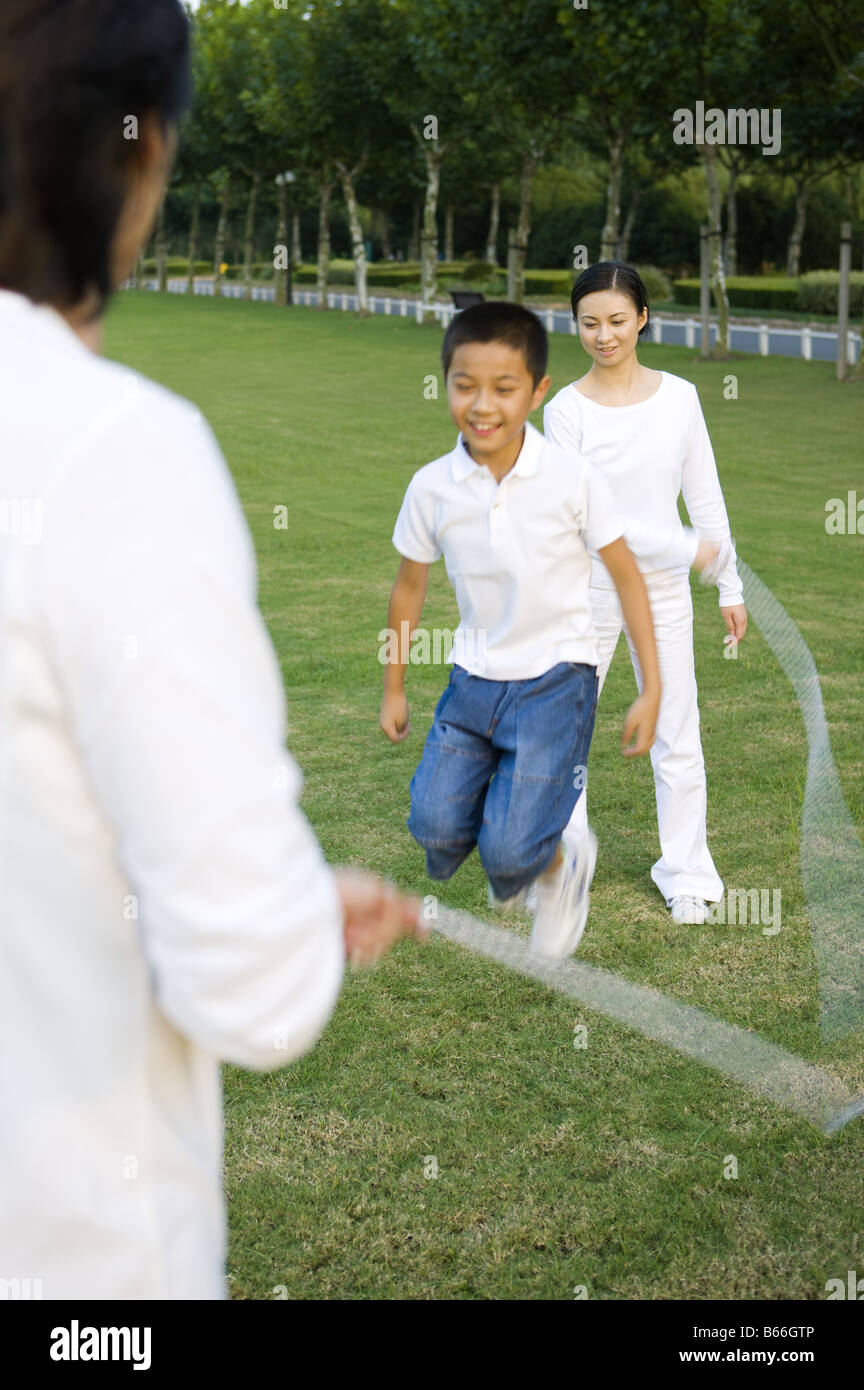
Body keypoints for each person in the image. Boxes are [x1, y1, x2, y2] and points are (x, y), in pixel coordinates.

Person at [0, 0, 421, 1301]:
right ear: (143, 155)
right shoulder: (111, 450)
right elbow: (245, 984)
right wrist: (279, 919)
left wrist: (273, 895)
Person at [379, 302, 662, 957]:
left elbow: (626, 577)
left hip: (557, 679)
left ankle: (559, 865)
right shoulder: (431, 488)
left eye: (504, 389)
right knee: (436, 827)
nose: (483, 405)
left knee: (508, 858)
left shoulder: (572, 478)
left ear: (537, 391)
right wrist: (394, 686)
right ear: (445, 381)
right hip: (473, 678)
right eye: (464, 385)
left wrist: (651, 689)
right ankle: (531, 839)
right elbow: (409, 588)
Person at [543, 261, 747, 927]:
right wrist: (687, 548)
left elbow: (705, 496)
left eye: (617, 321)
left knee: (678, 735)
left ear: (643, 320)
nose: (604, 335)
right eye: (590, 323)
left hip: (661, 597)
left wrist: (730, 584)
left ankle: (687, 875)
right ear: (576, 326)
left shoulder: (681, 398)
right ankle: (564, 870)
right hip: (587, 592)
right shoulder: (565, 411)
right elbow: (588, 517)